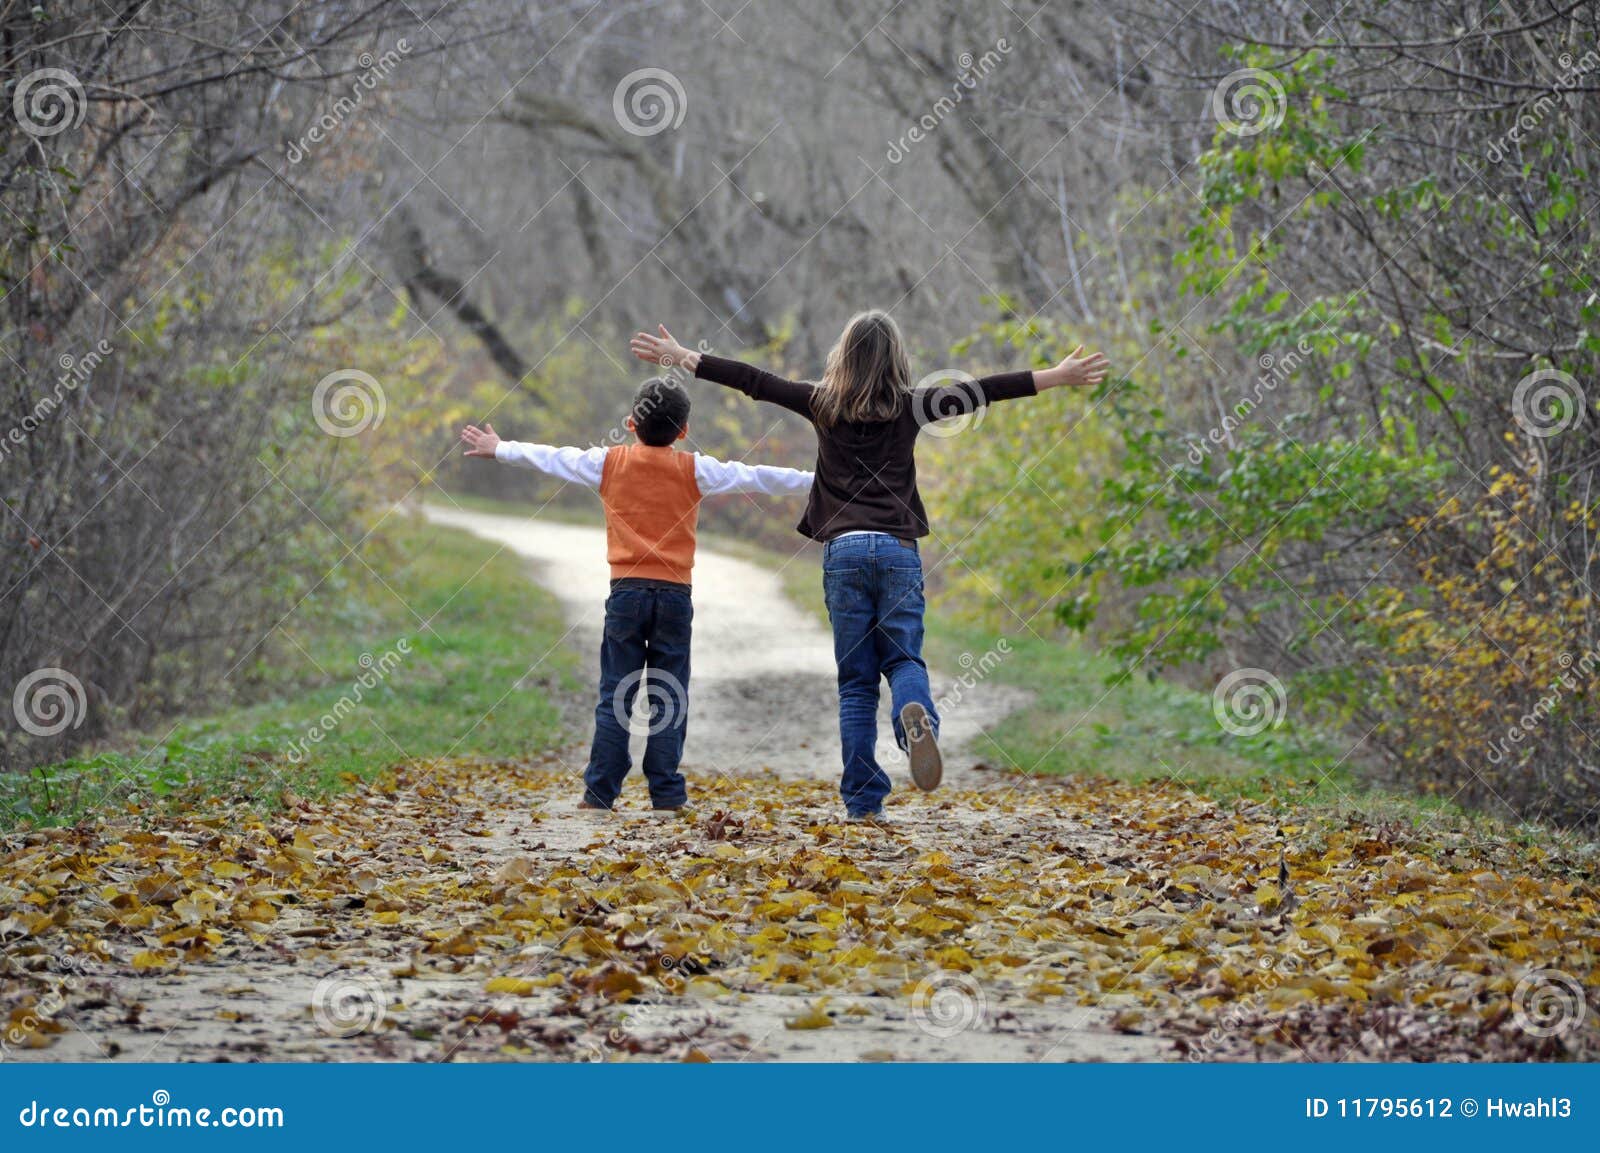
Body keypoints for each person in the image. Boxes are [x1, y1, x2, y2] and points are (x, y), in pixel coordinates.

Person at [630, 313, 1109, 821]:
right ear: (897, 360)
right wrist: (1058, 375)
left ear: (842, 355)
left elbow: (754, 381)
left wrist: (682, 356)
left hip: (844, 552)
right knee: (904, 661)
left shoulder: (821, 402)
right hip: (898, 551)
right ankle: (916, 720)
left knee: (856, 683)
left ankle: (863, 801)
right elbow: (983, 390)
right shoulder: (912, 406)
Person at [460, 378, 813, 812]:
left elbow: (554, 458)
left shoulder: (607, 463)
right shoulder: (696, 469)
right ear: (683, 431)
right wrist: (824, 480)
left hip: (625, 594)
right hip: (675, 597)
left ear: (630, 423)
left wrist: (501, 448)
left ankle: (599, 793)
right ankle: (666, 793)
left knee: (616, 694)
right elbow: (759, 477)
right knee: (669, 693)